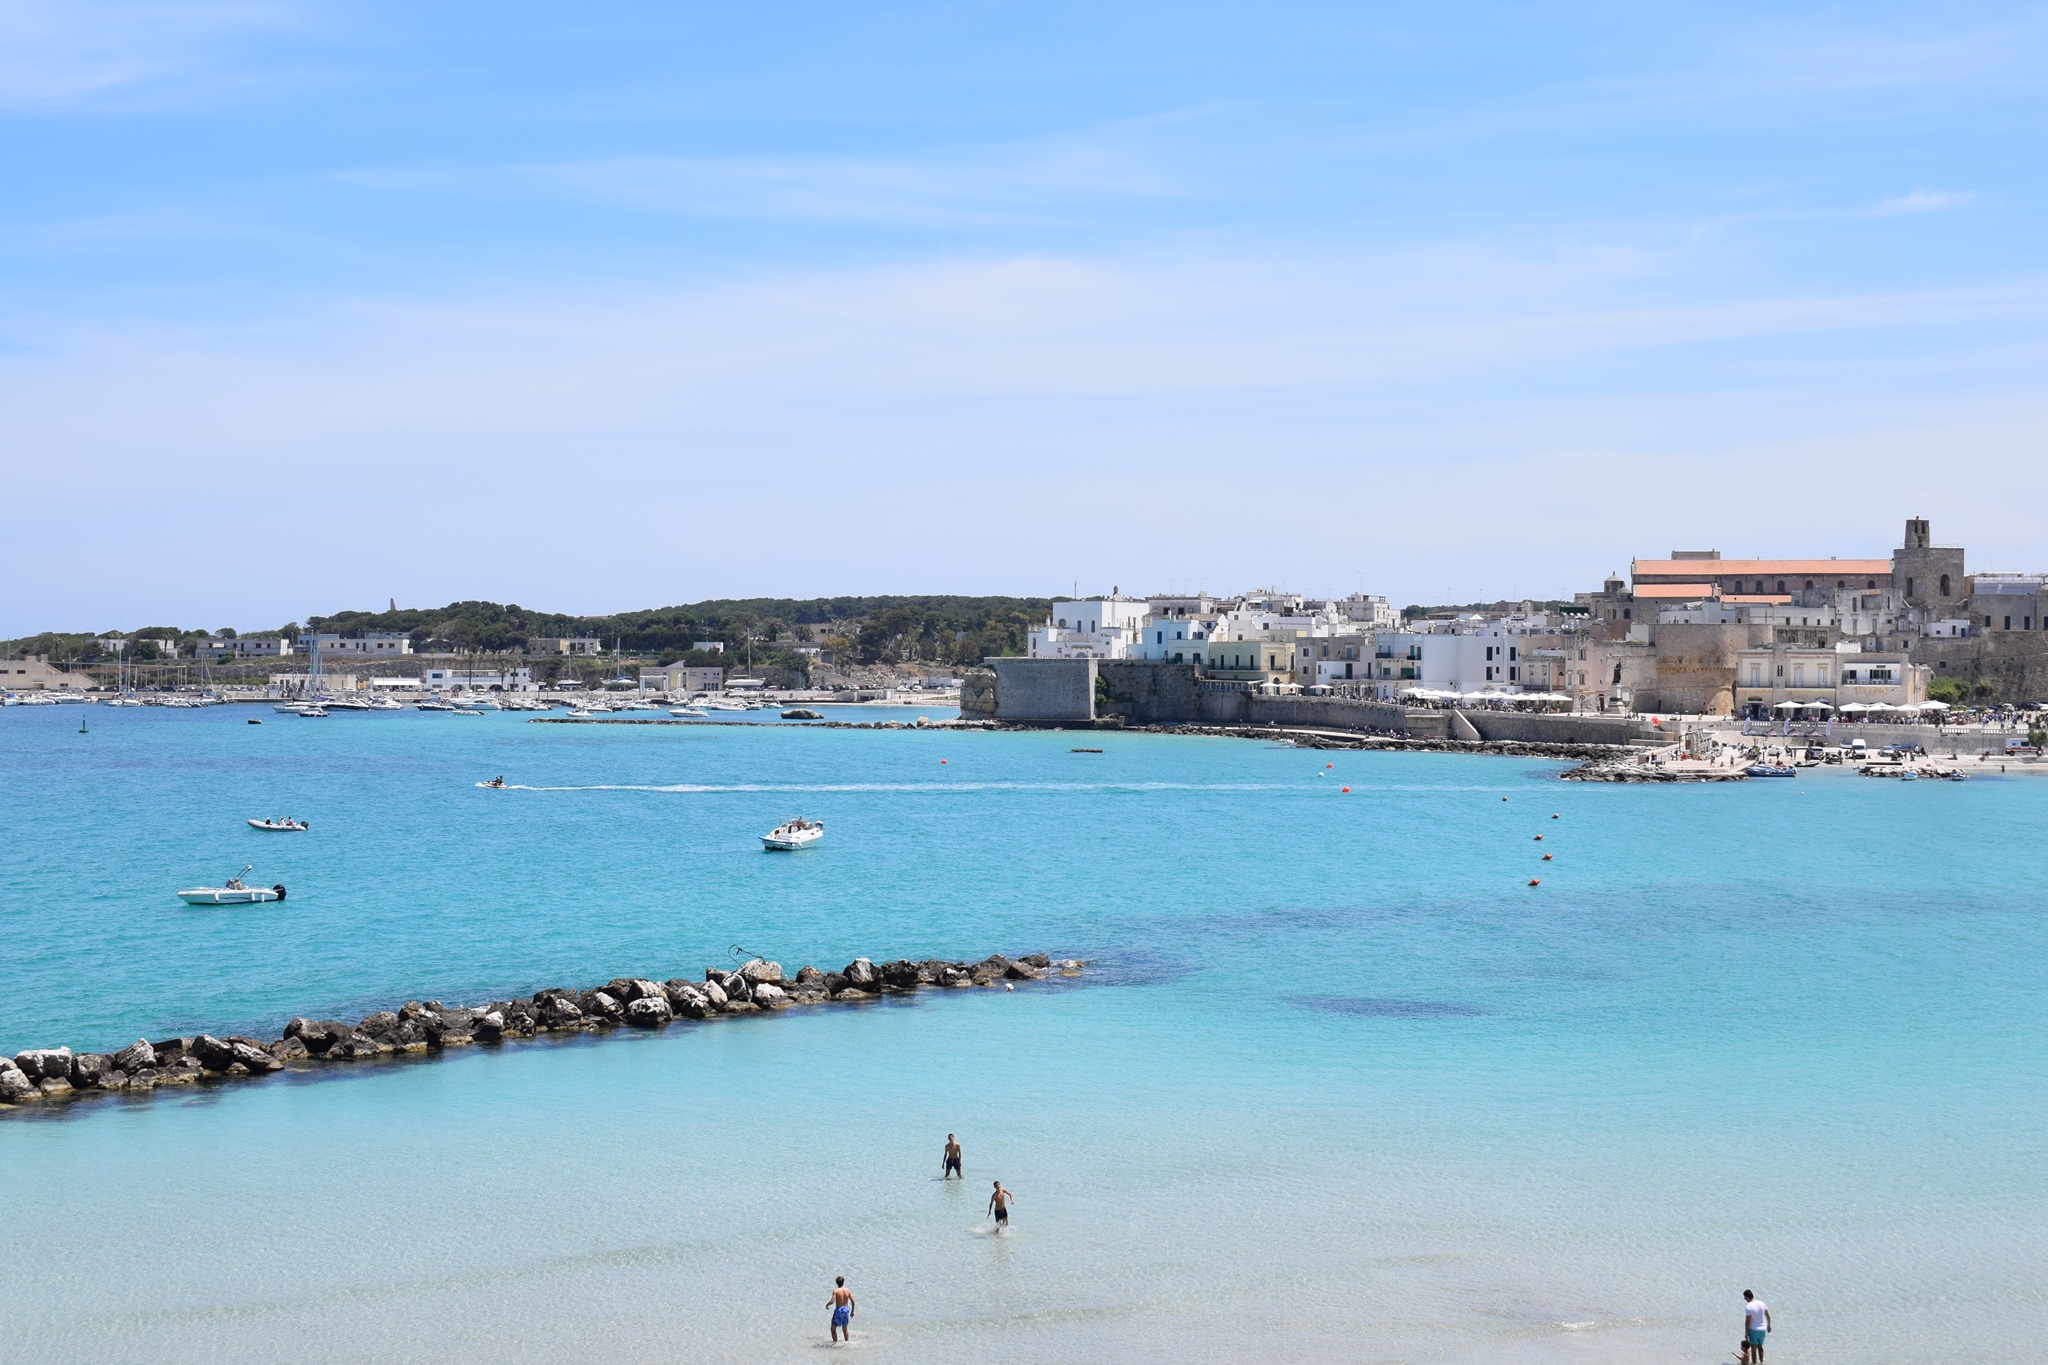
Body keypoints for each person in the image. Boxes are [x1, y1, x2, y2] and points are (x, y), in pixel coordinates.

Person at [1741, 1290, 1771, 1362]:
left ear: (1747, 1297)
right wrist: (1769, 1325)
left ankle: (1754, 1363)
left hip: (1754, 1329)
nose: (1745, 1299)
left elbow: (1748, 1321)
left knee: (1753, 1349)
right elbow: (1768, 1316)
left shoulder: (1748, 1306)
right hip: (1763, 1329)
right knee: (1760, 1347)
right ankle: (1761, 1362)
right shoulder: (1762, 1303)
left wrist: (1746, 1332)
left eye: (1745, 1298)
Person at [827, 1276, 854, 1342]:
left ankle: (835, 1343)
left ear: (836, 1283)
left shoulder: (835, 1291)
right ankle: (847, 1342)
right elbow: (853, 1301)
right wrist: (852, 1311)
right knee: (845, 1329)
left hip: (839, 1311)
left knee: (833, 1329)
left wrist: (827, 1304)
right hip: (846, 1310)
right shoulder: (848, 1290)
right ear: (843, 1282)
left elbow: (832, 1301)